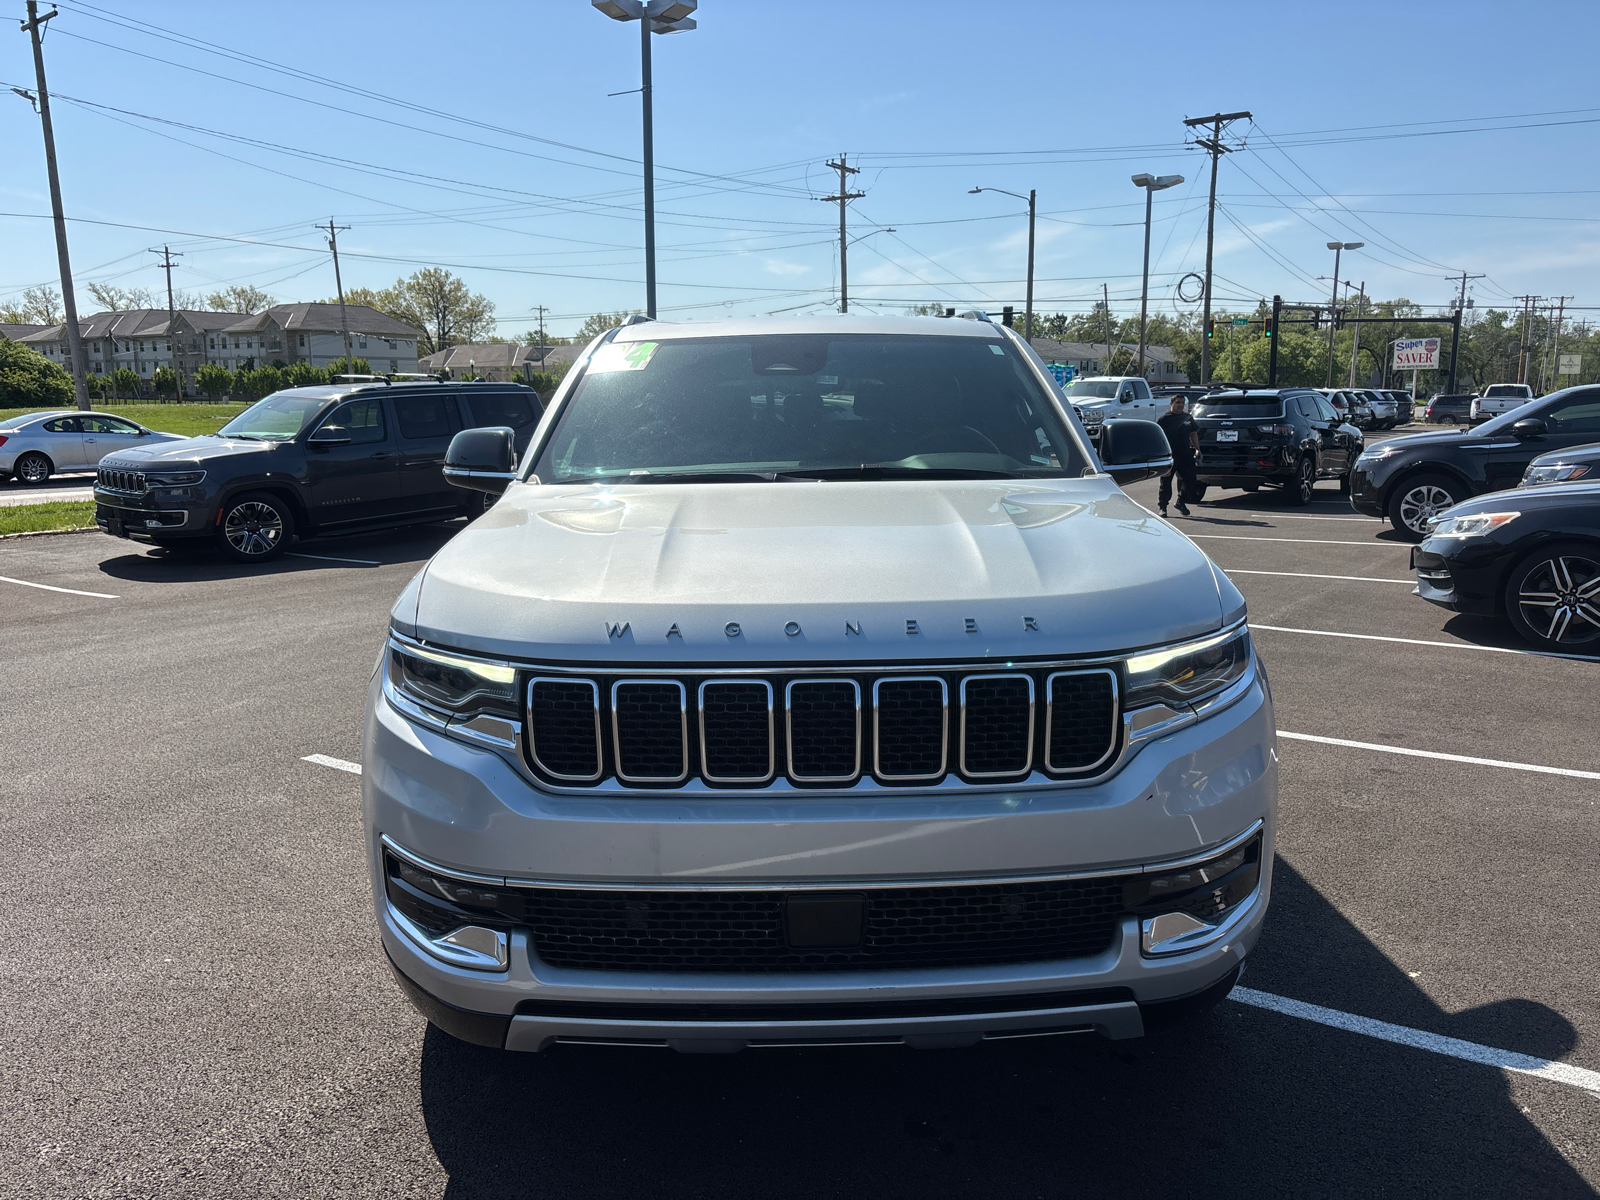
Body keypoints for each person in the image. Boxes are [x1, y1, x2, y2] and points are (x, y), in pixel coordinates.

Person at [1156, 394, 1200, 517]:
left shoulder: (1188, 418)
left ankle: (1181, 501)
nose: (1180, 405)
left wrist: (1197, 449)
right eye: (1178, 402)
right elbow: (1158, 438)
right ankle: (1163, 507)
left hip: (1185, 454)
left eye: (1182, 403)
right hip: (1169, 456)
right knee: (1166, 482)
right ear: (1172, 403)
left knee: (1190, 480)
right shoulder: (1164, 419)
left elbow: (1193, 434)